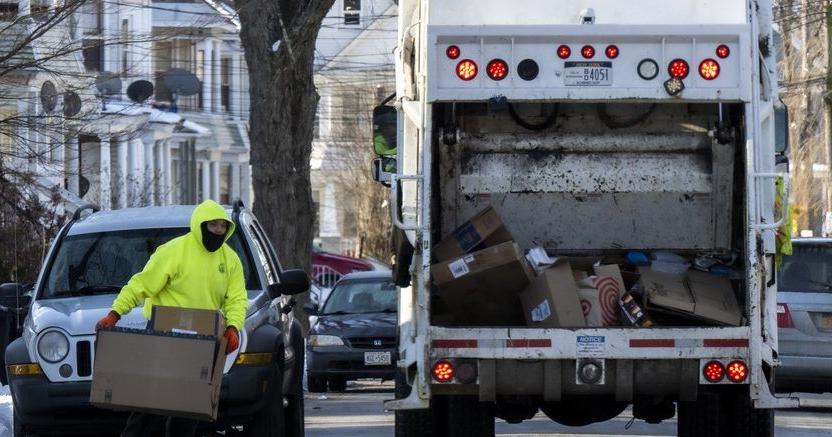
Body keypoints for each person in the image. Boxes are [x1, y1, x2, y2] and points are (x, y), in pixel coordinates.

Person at [95, 200, 248, 437]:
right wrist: (115, 314)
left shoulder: (230, 260)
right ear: (200, 224)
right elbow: (141, 285)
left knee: (189, 410)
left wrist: (233, 327)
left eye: (222, 226)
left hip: (202, 341)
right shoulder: (175, 251)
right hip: (162, 336)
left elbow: (236, 299)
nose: (218, 231)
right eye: (213, 225)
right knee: (150, 405)